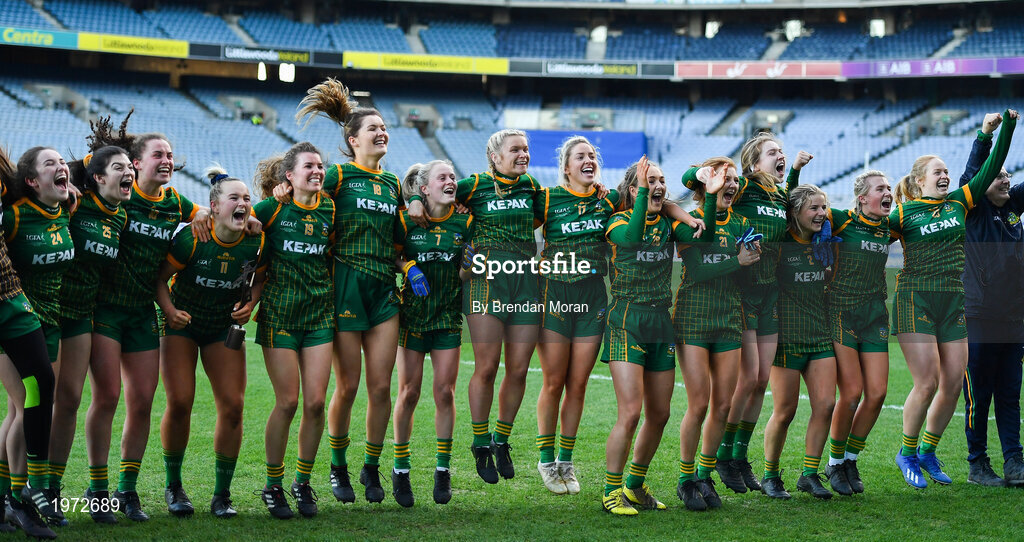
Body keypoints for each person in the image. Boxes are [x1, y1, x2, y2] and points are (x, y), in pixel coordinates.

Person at [284, 79, 405, 504]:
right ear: (353, 140)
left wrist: (408, 260)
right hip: (345, 287)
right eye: (374, 128)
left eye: (385, 126)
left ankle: (371, 468)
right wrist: (281, 192)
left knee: (380, 387)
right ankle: (338, 468)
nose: (382, 132)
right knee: (348, 386)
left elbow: (398, 241)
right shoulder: (335, 175)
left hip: (383, 291)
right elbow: (301, 201)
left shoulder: (392, 184)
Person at [86, 131, 212, 522]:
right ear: (136, 163)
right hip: (105, 310)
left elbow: (209, 215)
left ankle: (127, 491)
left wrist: (223, 217)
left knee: (141, 402)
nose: (168, 160)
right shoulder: (121, 195)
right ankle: (97, 490)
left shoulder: (175, 201)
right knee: (106, 398)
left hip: (142, 312)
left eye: (171, 155)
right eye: (159, 154)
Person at [890, 109, 1017, 489]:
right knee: (926, 382)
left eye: (947, 170)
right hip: (916, 301)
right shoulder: (902, 213)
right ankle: (907, 452)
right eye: (937, 171)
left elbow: (993, 163)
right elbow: (867, 238)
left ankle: (928, 451)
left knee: (950, 384)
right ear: (918, 181)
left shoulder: (961, 202)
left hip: (953, 302)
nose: (945, 175)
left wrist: (1001, 129)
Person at [408, 128, 542, 485]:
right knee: (486, 366)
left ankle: (501, 439)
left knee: (518, 369)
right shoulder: (473, 185)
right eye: (515, 150)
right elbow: (432, 192)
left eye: (526, 150)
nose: (523, 155)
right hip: (485, 281)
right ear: (495, 157)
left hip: (526, 280)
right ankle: (480, 442)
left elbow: (551, 215)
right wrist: (413, 202)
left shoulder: (533, 188)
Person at [680, 135, 811, 492]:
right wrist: (712, 175)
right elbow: (690, 178)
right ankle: (722, 454)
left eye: (782, 152)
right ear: (753, 164)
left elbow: (791, 206)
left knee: (761, 380)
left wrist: (794, 171)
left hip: (770, 293)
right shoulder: (743, 189)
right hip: (742, 293)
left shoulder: (780, 196)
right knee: (748, 379)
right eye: (773, 153)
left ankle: (738, 456)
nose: (780, 156)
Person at [156, 167, 266, 518]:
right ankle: (174, 486)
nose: (243, 204)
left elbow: (260, 277)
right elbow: (159, 279)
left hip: (222, 328)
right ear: (213, 207)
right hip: (182, 325)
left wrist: (252, 302)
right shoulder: (191, 238)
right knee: (180, 401)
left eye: (247, 198)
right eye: (234, 198)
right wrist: (170, 310)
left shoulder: (256, 239)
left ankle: (222, 495)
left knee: (233, 407)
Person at [51, 144, 132, 524]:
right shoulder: (75, 203)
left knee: (69, 401)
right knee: (33, 407)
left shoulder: (121, 217)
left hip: (82, 315)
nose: (128, 172)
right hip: (47, 312)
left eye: (130, 166)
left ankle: (51, 491)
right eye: (119, 167)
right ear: (98, 177)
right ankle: (15, 492)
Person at [255, 143, 335, 519]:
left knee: (316, 402)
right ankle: (272, 485)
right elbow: (239, 227)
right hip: (280, 315)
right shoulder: (271, 209)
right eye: (309, 166)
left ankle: (302, 482)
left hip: (319, 315)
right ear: (288, 176)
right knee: (288, 402)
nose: (318, 171)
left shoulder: (331, 208)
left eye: (320, 166)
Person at [674, 159, 760, 510]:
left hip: (728, 318)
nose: (734, 185)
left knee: (723, 405)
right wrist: (736, 261)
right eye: (727, 179)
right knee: (699, 403)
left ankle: (706, 475)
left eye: (736, 180)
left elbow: (745, 270)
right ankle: (685, 478)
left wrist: (751, 258)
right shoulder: (686, 219)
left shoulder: (741, 222)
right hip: (693, 318)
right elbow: (696, 269)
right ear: (708, 183)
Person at [600, 157, 684, 515]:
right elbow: (632, 240)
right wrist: (646, 201)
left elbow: (705, 232)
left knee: (660, 413)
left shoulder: (667, 223)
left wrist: (688, 210)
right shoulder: (617, 222)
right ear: (634, 190)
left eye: (662, 180)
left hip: (660, 321)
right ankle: (610, 490)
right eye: (650, 180)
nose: (658, 185)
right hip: (627, 320)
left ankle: (634, 485)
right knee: (630, 412)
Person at [534, 136, 616, 495]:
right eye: (580, 156)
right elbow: (509, 217)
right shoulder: (548, 198)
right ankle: (545, 461)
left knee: (578, 384)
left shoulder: (608, 199)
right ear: (566, 167)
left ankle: (566, 462)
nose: (589, 160)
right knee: (554, 382)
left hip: (592, 296)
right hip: (554, 294)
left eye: (593, 155)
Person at [392, 160, 473, 506]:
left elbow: (463, 275)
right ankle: (401, 469)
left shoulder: (465, 221)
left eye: (453, 176)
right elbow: (392, 254)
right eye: (443, 177)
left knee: (445, 393)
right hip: (411, 318)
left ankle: (443, 471)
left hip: (447, 319)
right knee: (408, 393)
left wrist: (469, 267)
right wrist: (408, 267)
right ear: (424, 188)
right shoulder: (407, 219)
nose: (451, 181)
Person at [957, 114, 1024, 487]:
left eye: (1008, 177)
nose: (1005, 181)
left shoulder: (1012, 210)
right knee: (978, 395)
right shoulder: (974, 208)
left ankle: (1015, 462)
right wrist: (986, 135)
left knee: (1010, 393)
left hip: (1013, 318)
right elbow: (972, 173)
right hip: (978, 316)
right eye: (998, 176)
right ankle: (977, 463)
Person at [0, 148, 62, 538]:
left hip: (8, 296)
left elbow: (45, 174)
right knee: (25, 402)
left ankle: (23, 496)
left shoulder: (8, 181)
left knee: (38, 387)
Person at [760, 184, 836, 500]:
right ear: (795, 212)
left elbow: (829, 280)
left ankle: (809, 474)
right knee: (785, 410)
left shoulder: (826, 243)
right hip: (787, 338)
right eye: (814, 209)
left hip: (820, 336)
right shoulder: (779, 245)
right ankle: (770, 475)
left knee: (826, 405)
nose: (821, 214)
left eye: (823, 208)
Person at [822, 170, 893, 496]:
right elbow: (798, 208)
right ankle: (834, 463)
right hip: (841, 313)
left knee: (876, 393)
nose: (887, 193)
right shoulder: (841, 219)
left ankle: (850, 459)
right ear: (862, 198)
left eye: (890, 188)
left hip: (875, 315)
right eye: (880, 189)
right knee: (851, 393)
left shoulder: (890, 226)